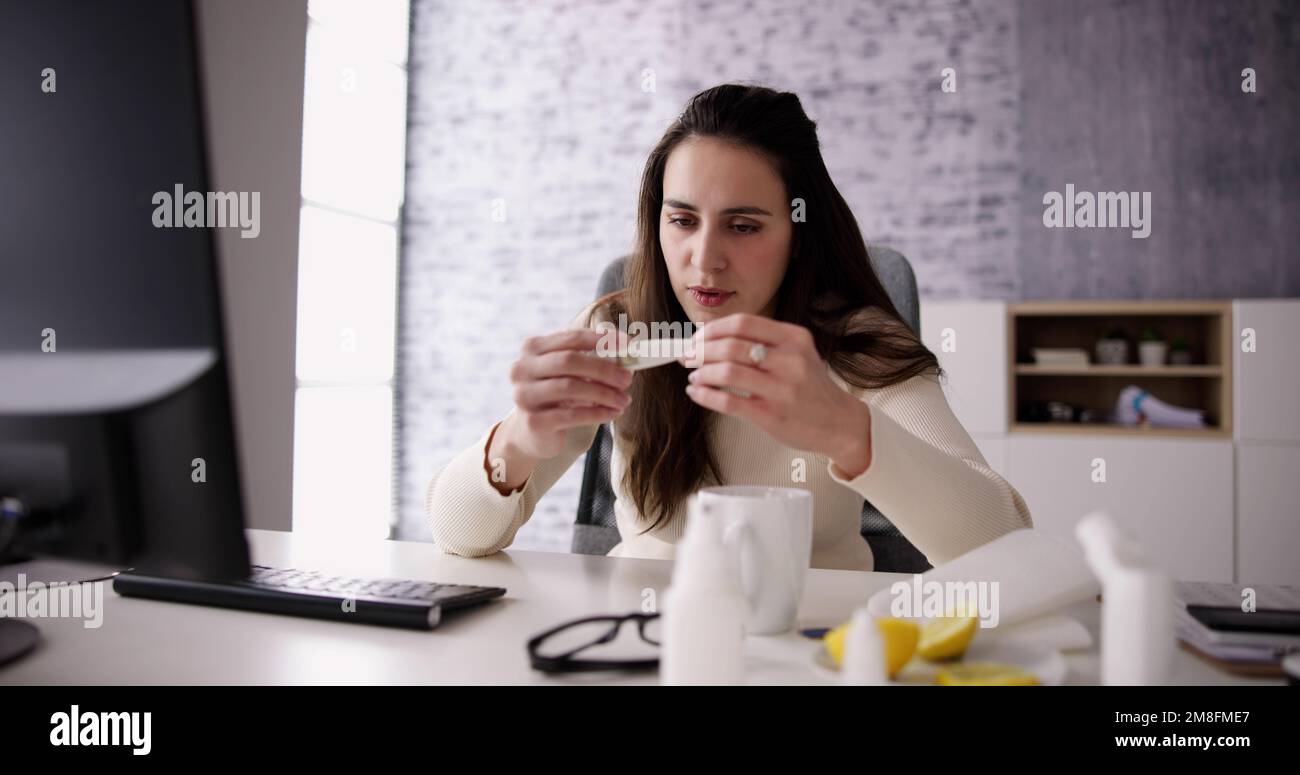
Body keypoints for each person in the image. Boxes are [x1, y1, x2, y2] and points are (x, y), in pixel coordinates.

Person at [427, 83, 1032, 571]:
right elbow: (457, 537)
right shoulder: (619, 330)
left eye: (743, 226)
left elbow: (1007, 549)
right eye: (683, 220)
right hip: (643, 639)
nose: (705, 258)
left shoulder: (857, 345)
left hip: (811, 646)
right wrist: (520, 438)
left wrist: (851, 431)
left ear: (798, 234)